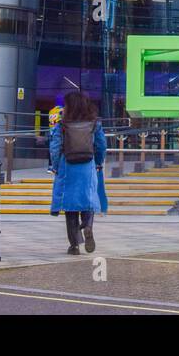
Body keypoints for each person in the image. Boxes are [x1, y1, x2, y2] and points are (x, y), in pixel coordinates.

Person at [48, 90, 107, 254]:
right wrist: (98, 162)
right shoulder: (95, 124)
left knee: (70, 207)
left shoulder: (62, 125)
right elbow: (101, 145)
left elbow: (55, 147)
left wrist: (55, 166)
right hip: (88, 166)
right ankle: (87, 226)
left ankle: (74, 246)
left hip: (68, 166)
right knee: (87, 201)